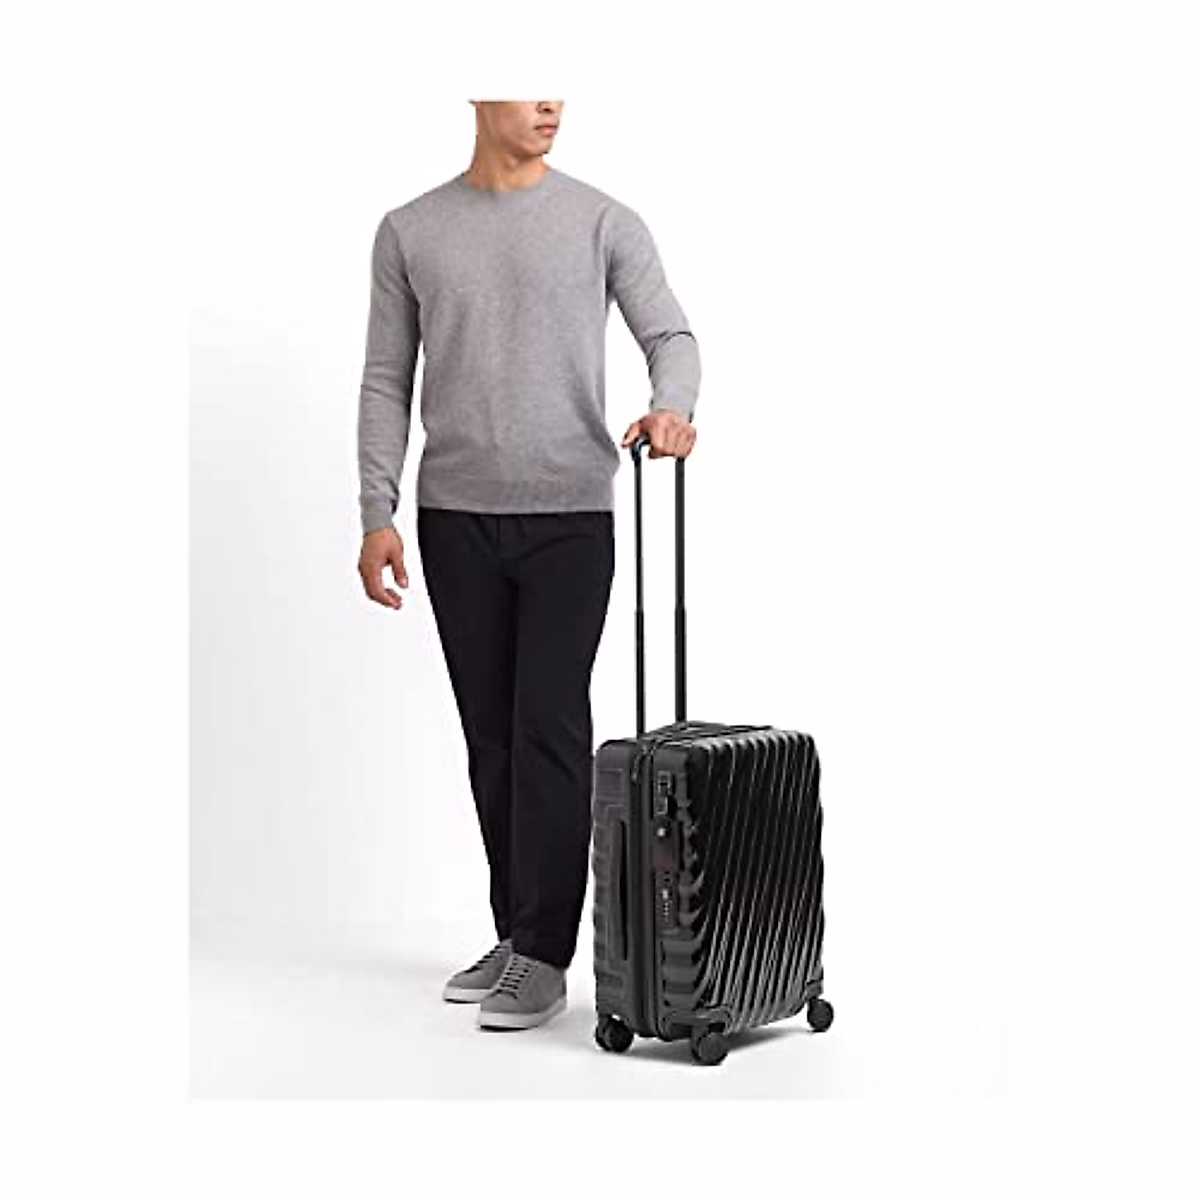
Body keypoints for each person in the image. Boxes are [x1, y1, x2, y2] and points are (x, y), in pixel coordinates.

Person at [355, 100, 700, 1032]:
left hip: (569, 518)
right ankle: (518, 934)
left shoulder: (603, 221)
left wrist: (672, 407)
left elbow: (671, 336)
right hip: (454, 518)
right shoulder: (411, 230)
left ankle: (545, 954)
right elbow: (387, 377)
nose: (550, 103)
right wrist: (376, 511)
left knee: (546, 725)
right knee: (492, 738)